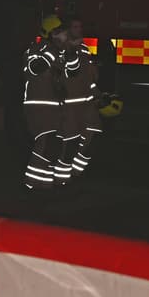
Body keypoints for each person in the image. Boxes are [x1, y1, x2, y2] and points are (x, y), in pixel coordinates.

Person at [22, 16, 70, 189]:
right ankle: (32, 185)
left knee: (53, 146)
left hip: (53, 107)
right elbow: (35, 68)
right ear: (53, 34)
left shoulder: (59, 54)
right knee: (45, 143)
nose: (66, 36)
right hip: (39, 106)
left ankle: (44, 185)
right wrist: (53, 52)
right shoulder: (38, 49)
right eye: (62, 32)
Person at [58, 17, 103, 178]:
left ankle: (76, 172)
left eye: (80, 26)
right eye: (75, 26)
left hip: (87, 101)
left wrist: (97, 94)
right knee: (69, 142)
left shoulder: (84, 48)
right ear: (68, 29)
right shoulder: (63, 48)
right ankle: (62, 179)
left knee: (93, 132)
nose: (79, 29)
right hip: (70, 103)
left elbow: (88, 77)